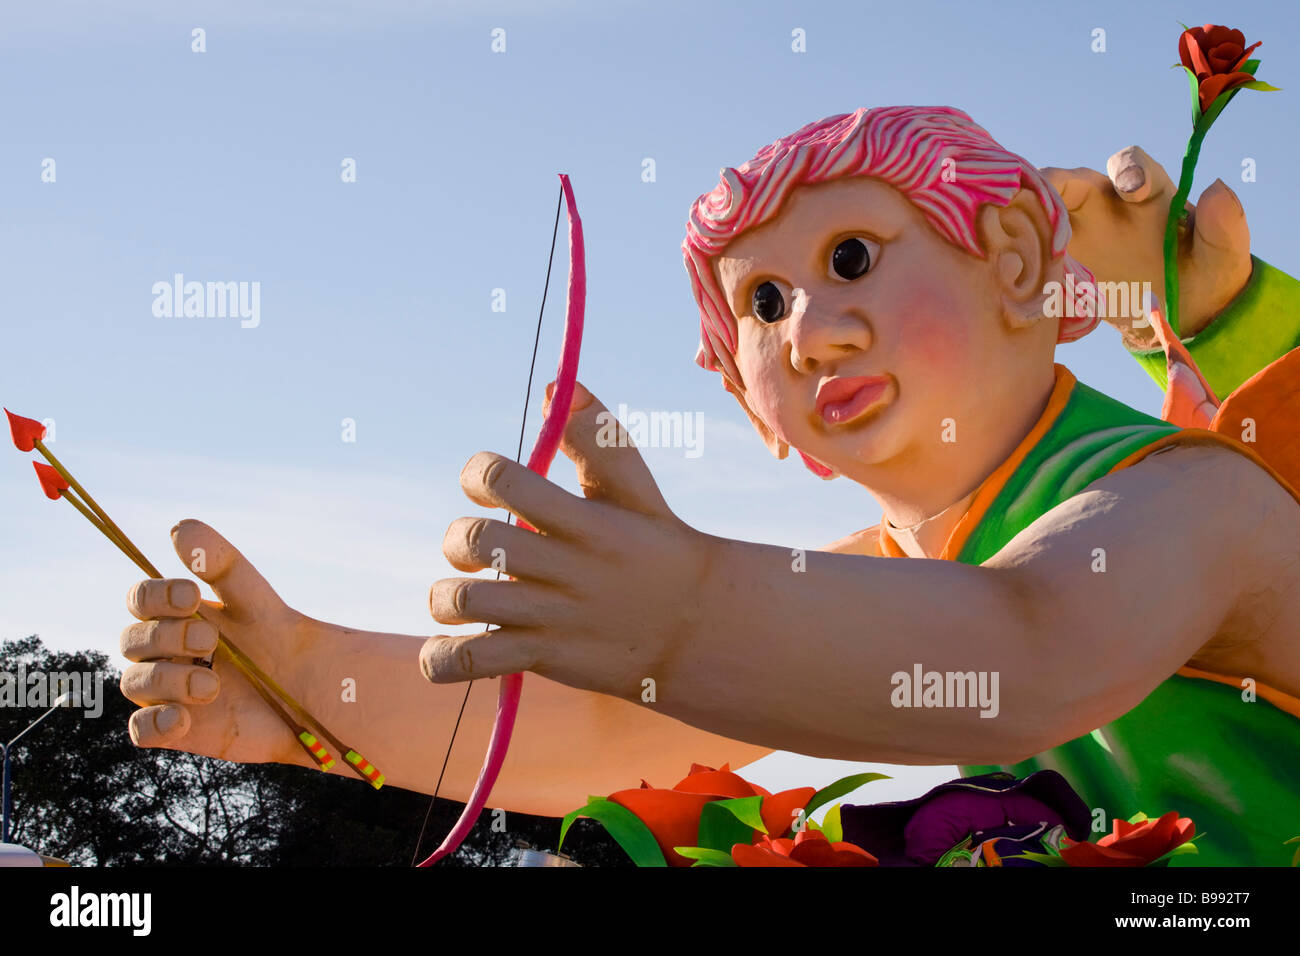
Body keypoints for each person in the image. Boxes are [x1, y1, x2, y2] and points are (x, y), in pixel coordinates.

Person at [120, 106, 1300, 864]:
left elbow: (1026, 653)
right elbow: (611, 723)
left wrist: (683, 612)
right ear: (742, 399)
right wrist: (308, 683)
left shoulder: (1195, 495)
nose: (810, 332)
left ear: (1013, 264)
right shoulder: (904, 570)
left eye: (851, 259)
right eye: (762, 304)